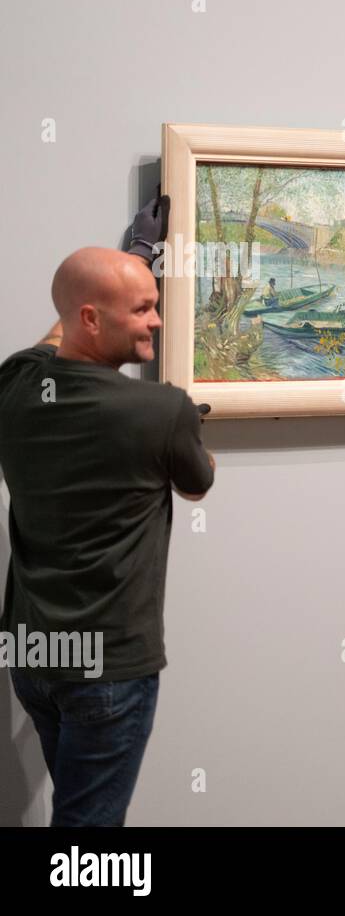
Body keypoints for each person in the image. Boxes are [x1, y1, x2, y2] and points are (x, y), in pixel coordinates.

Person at [0, 197, 216, 826]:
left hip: (34, 655)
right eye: (144, 308)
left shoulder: (16, 386)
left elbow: (52, 336)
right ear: (93, 320)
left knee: (76, 816)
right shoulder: (163, 411)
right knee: (90, 837)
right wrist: (188, 438)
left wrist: (134, 257)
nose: (157, 320)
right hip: (108, 667)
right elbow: (199, 488)